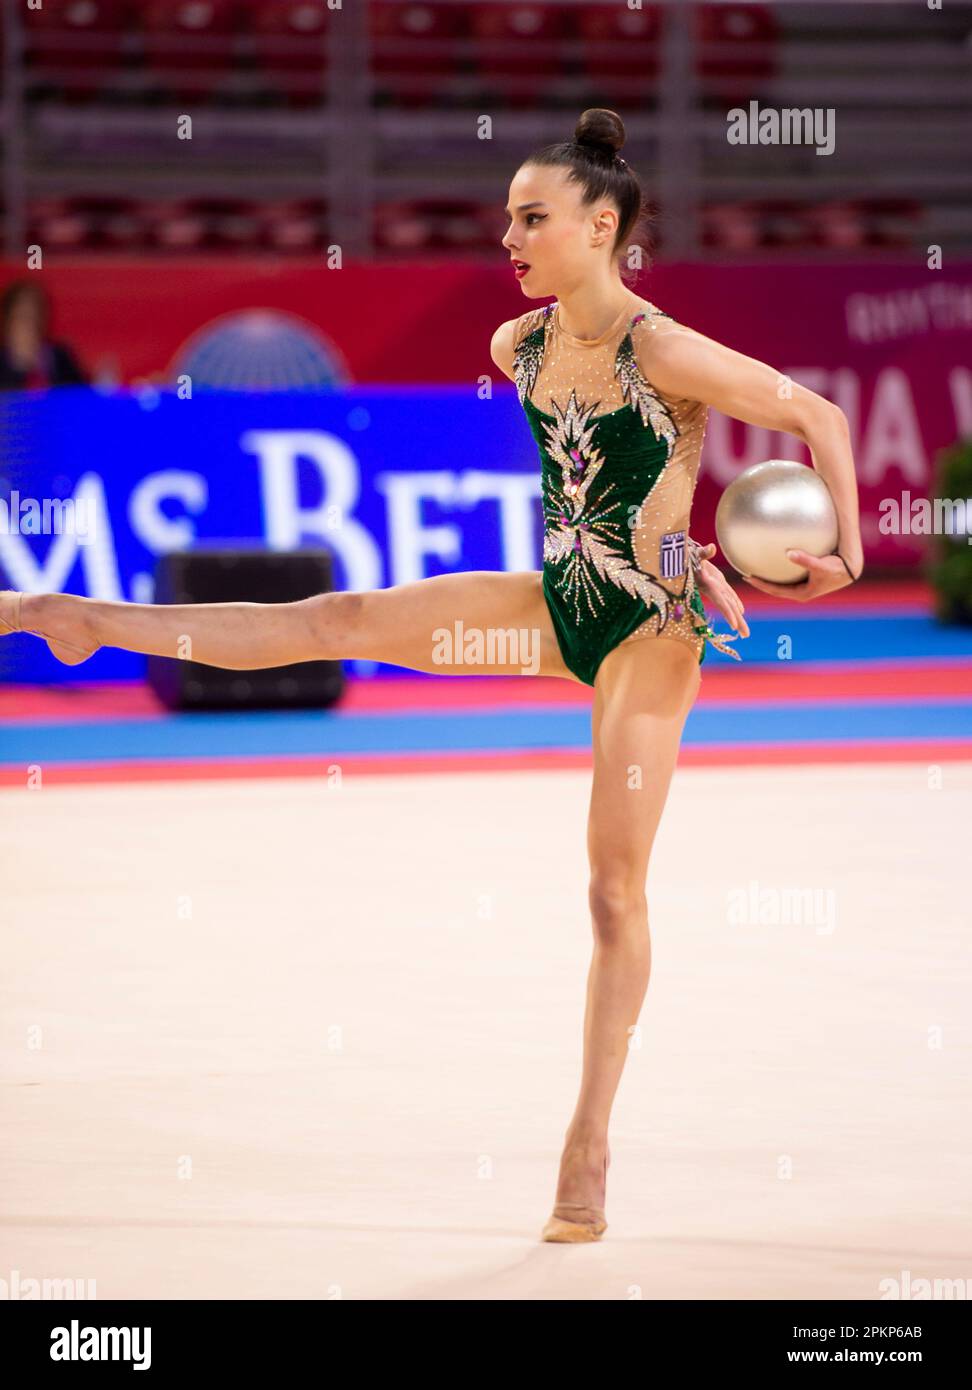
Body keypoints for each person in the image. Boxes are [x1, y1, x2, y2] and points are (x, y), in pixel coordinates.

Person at [0, 107, 863, 1243]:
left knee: (612, 888)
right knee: (336, 613)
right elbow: (608, 498)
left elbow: (815, 413)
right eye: (508, 217)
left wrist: (839, 553)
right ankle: (84, 620)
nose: (508, 236)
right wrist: (676, 546)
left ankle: (589, 1142)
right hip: (559, 603)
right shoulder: (521, 346)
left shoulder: (662, 347)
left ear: (602, 228)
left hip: (649, 635)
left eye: (532, 217)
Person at [0, 278, 88, 391]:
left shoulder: (60, 358)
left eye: (36, 315)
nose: (30, 324)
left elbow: (82, 396)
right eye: (22, 316)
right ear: (7, 320)